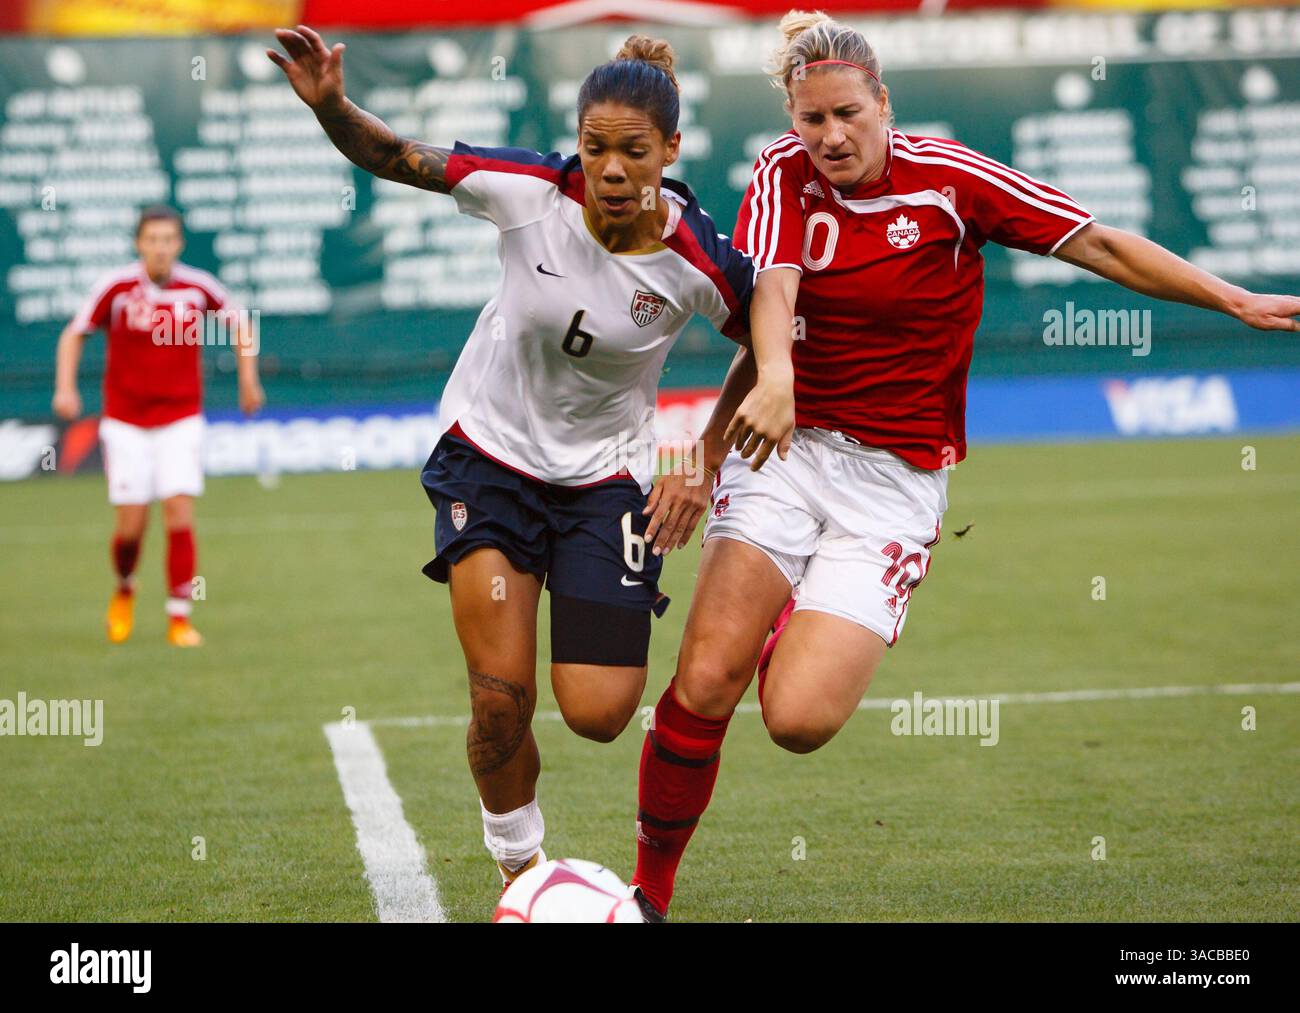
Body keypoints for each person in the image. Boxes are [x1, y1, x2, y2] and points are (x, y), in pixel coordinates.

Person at [629, 9, 1300, 920]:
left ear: (884, 104)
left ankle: (794, 606)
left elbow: (1097, 243)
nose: (829, 136)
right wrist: (755, 404)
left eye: (847, 115)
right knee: (706, 683)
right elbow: (774, 293)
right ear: (792, 118)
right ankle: (648, 897)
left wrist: (1231, 299)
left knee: (796, 720)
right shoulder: (781, 173)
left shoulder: (950, 180)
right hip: (785, 448)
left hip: (896, 483)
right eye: (811, 118)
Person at [268, 26, 758, 900]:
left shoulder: (700, 261)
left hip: (605, 478)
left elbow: (771, 339)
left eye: (633, 152)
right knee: (500, 701)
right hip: (487, 460)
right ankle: (522, 867)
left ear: (670, 151)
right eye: (595, 146)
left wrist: (705, 457)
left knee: (601, 712)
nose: (610, 169)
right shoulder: (529, 190)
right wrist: (334, 108)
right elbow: (395, 157)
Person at [52, 204, 264, 647]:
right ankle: (126, 586)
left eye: (169, 239)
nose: (161, 248)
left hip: (181, 417)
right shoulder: (117, 288)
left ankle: (179, 619)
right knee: (130, 528)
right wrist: (66, 388)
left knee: (178, 513)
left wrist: (248, 380)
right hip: (125, 421)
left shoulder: (197, 287)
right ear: (139, 244)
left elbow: (240, 324)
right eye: (152, 239)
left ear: (179, 244)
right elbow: (74, 334)